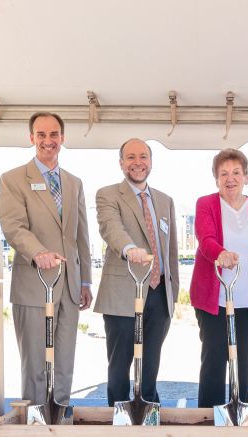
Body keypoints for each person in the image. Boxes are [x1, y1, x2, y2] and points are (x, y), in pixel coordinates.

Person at [0, 112, 92, 406]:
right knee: (36, 363)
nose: (48, 141)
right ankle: (35, 425)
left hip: (70, 284)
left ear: (62, 138)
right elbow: (13, 226)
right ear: (31, 139)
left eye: (54, 135)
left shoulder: (74, 182)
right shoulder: (13, 179)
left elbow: (81, 236)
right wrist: (39, 252)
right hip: (34, 283)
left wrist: (86, 280)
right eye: (41, 135)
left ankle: (60, 418)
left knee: (64, 359)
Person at [94, 139, 179, 406]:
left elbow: (171, 249)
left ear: (151, 162)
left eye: (143, 156)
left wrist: (172, 293)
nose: (137, 162)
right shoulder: (108, 195)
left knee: (151, 360)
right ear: (121, 163)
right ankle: (118, 415)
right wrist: (130, 248)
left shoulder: (165, 201)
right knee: (120, 363)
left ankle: (148, 411)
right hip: (123, 292)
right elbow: (111, 228)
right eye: (130, 157)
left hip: (158, 291)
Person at [190, 149, 248, 408]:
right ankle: (208, 418)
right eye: (223, 173)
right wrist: (221, 253)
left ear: (246, 177)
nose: (230, 179)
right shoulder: (206, 204)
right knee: (214, 361)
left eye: (236, 173)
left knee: (242, 362)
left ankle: (240, 413)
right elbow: (206, 240)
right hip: (213, 300)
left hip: (247, 302)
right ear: (216, 179)